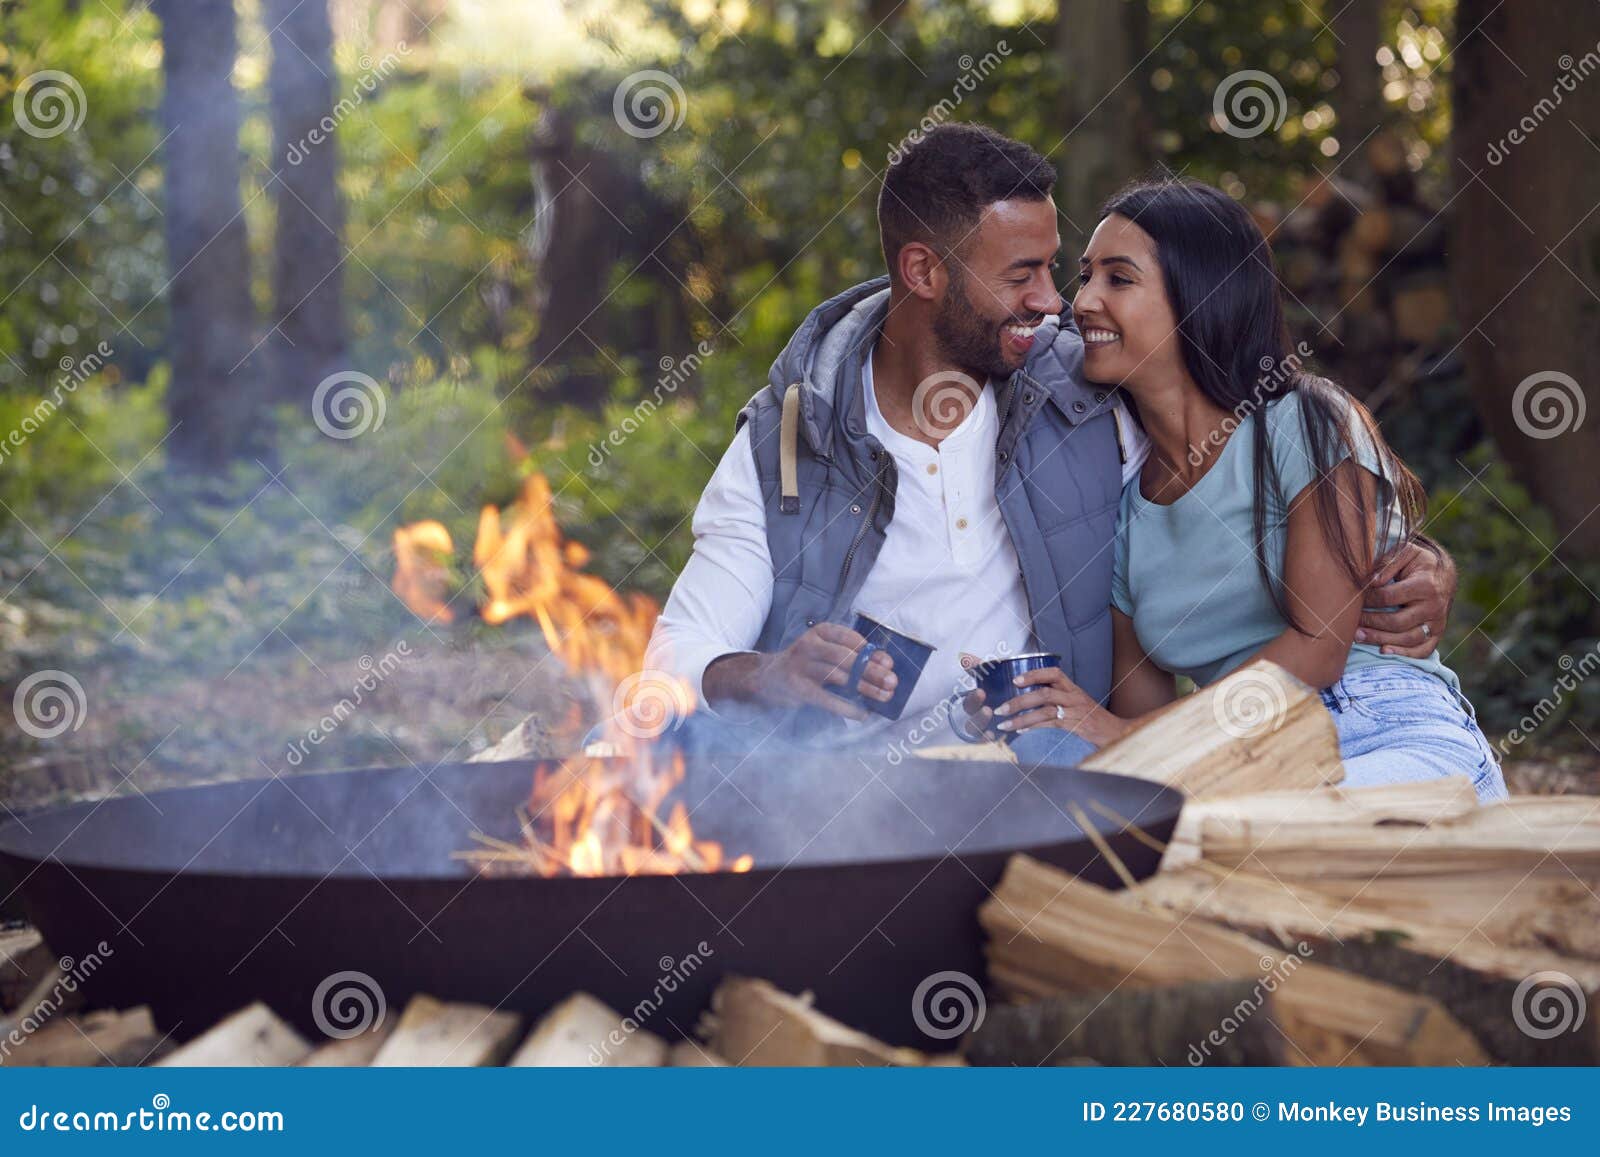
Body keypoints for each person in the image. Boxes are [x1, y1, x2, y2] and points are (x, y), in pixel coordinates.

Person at [644, 124, 1458, 767]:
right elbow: (674, 658)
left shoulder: (1087, 387)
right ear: (924, 272)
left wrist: (1413, 557)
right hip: (858, 786)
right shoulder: (789, 442)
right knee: (669, 761)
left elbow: (1242, 444)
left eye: (1065, 271)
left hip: (1047, 767)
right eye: (1025, 274)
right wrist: (767, 674)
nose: (1056, 302)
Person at [977, 178, 1507, 800]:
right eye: (1086, 276)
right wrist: (1060, 727)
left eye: (1118, 279)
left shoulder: (1305, 422)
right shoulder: (1127, 515)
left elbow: (1316, 654)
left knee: (1277, 844)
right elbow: (1138, 725)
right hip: (1236, 762)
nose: (1084, 301)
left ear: (1201, 297)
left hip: (1378, 727)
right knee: (1059, 785)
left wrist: (1120, 733)